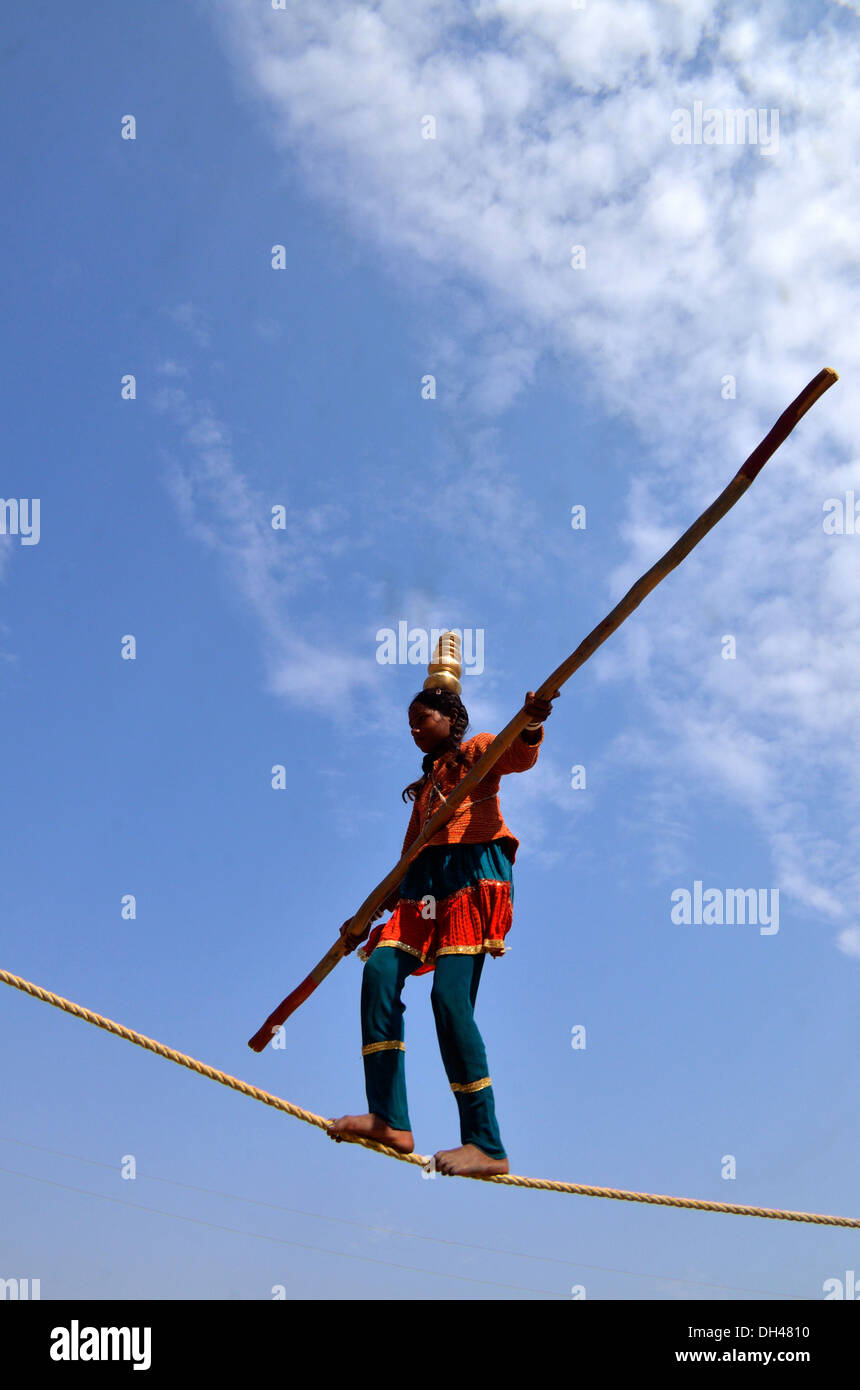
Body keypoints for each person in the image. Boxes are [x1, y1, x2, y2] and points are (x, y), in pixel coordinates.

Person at [326, 683, 559, 1176]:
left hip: (470, 880)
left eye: (421, 716)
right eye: (408, 720)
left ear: (451, 718)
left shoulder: (475, 752)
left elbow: (515, 754)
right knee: (380, 973)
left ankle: (486, 1143)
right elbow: (407, 863)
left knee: (449, 1001)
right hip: (424, 892)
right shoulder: (426, 793)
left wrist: (532, 722)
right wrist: (366, 916)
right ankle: (389, 1117)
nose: (412, 726)